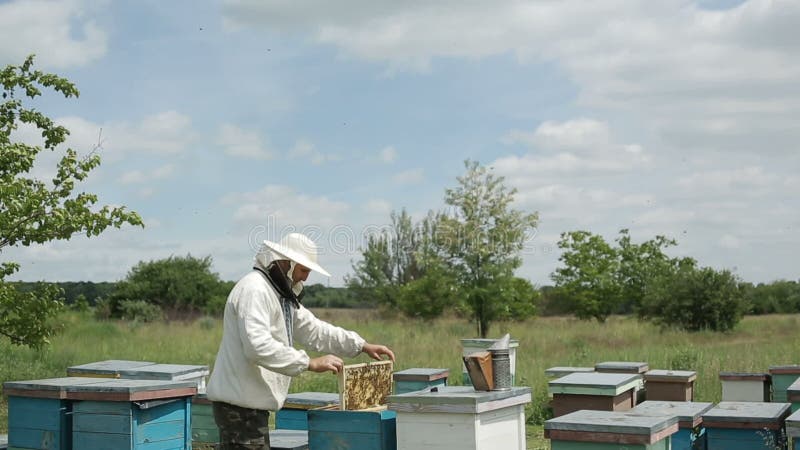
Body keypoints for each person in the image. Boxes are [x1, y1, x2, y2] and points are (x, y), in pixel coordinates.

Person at [206, 232, 395, 449]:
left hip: (248, 407)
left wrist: (360, 345)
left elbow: (315, 330)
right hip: (238, 408)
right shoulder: (254, 290)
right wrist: (309, 363)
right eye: (304, 270)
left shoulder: (279, 295)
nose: (305, 278)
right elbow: (257, 346)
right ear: (288, 264)